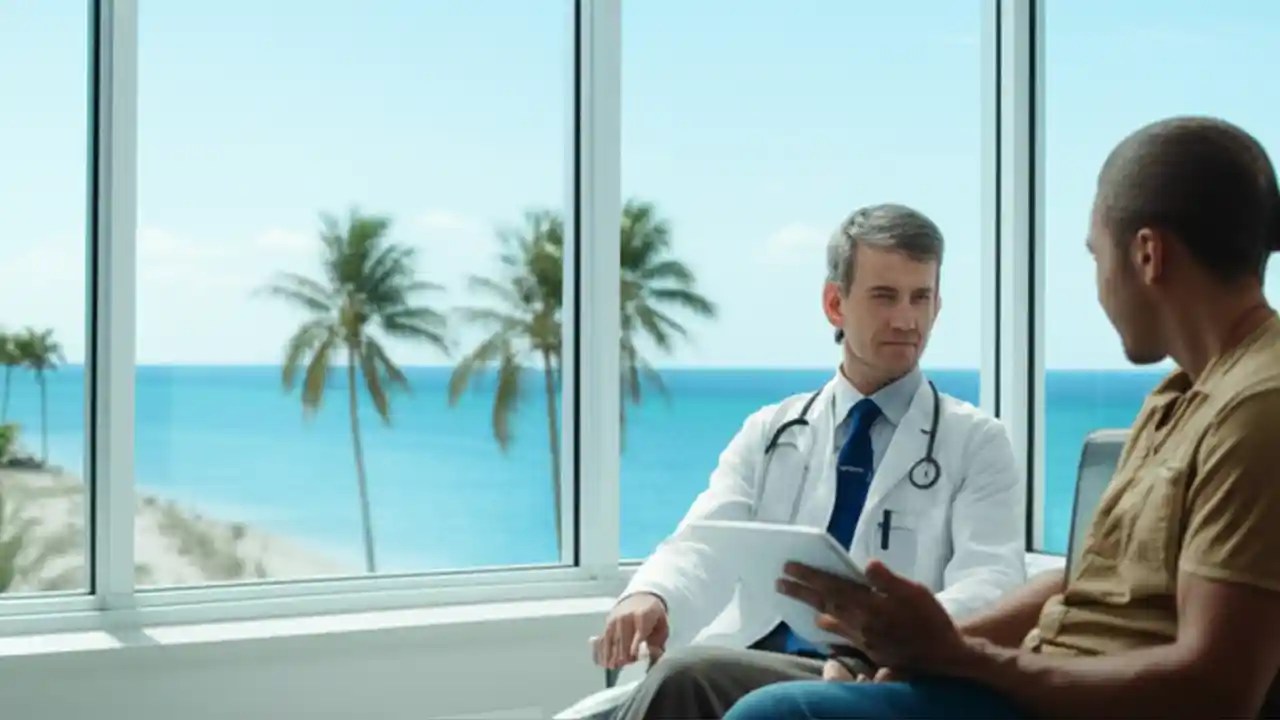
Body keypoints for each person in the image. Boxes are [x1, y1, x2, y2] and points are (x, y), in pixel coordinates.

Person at [724, 116, 1280, 720]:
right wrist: (932, 648)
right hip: (1033, 680)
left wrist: (968, 659)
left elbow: (1217, 688)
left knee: (777, 715)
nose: (1097, 288)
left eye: (1096, 257)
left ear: (1147, 254)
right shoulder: (1177, 398)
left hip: (1063, 704)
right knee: (707, 684)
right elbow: (1080, 584)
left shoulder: (1257, 408)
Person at [597, 203, 1027, 720]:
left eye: (921, 298)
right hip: (757, 659)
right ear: (834, 304)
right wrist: (651, 595)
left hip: (874, 676)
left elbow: (993, 583)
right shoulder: (771, 431)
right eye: (884, 296)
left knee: (684, 678)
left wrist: (882, 639)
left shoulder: (976, 442)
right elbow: (705, 541)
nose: (906, 319)